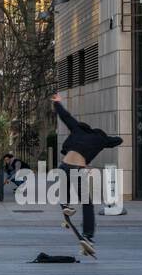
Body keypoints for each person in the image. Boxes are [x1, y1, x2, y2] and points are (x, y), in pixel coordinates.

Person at [51, 94, 122, 251]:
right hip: (77, 169)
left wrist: (57, 103)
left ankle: (66, 205)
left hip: (64, 166)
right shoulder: (100, 139)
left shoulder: (77, 129)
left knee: (64, 188)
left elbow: (65, 116)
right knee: (86, 203)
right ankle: (88, 236)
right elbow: (117, 141)